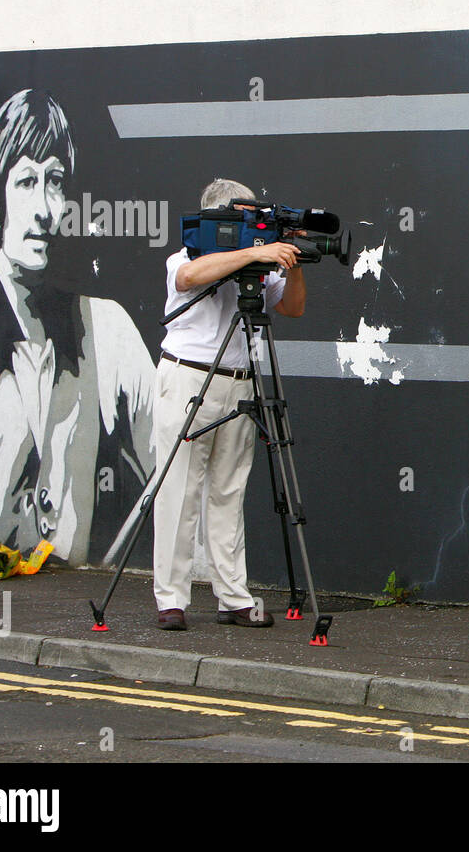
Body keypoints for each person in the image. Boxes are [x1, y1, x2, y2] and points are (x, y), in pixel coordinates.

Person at [0, 89, 154, 566]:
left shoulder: (108, 329)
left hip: (76, 597)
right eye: (25, 182)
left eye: (54, 182)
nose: (44, 206)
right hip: (1, 596)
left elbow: (176, 468)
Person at [152, 178, 306, 631]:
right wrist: (253, 253)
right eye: (242, 215)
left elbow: (293, 308)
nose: (251, 224)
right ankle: (171, 598)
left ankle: (233, 597)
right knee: (178, 491)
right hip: (187, 377)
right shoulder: (186, 255)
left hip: (238, 381)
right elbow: (190, 278)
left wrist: (291, 262)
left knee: (229, 491)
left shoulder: (259, 262)